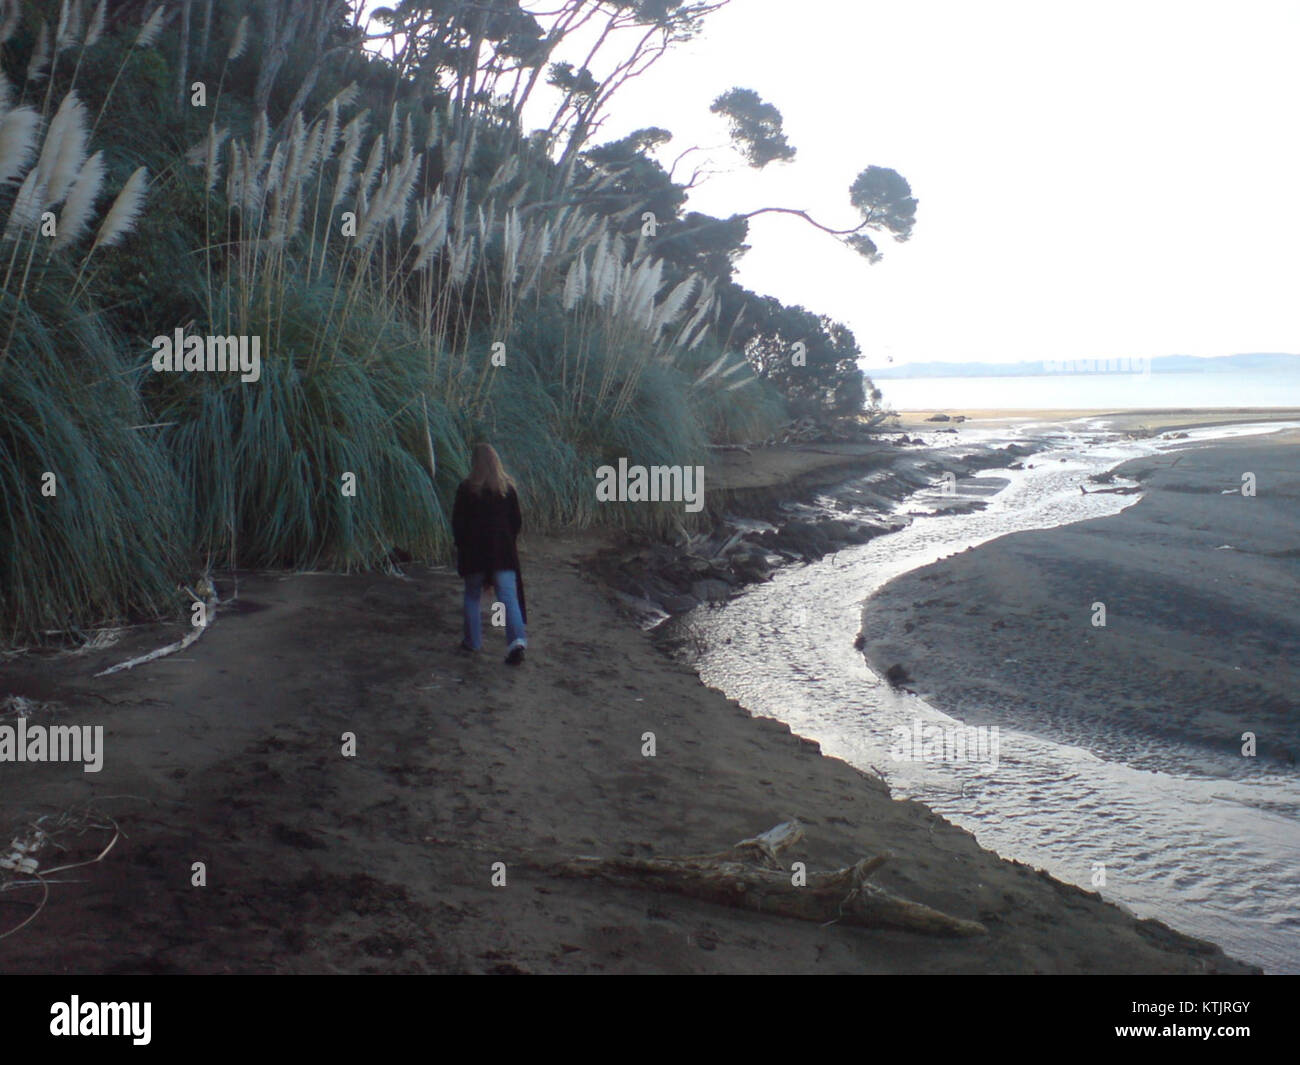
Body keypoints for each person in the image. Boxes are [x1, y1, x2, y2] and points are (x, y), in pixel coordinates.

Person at [451, 443, 528, 665]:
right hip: (502, 553)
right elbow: (516, 523)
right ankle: (517, 642)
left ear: (474, 463)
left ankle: (472, 642)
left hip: (474, 554)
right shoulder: (507, 489)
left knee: (472, 596)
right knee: (508, 598)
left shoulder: (466, 489)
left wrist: (461, 546)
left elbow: (458, 524)